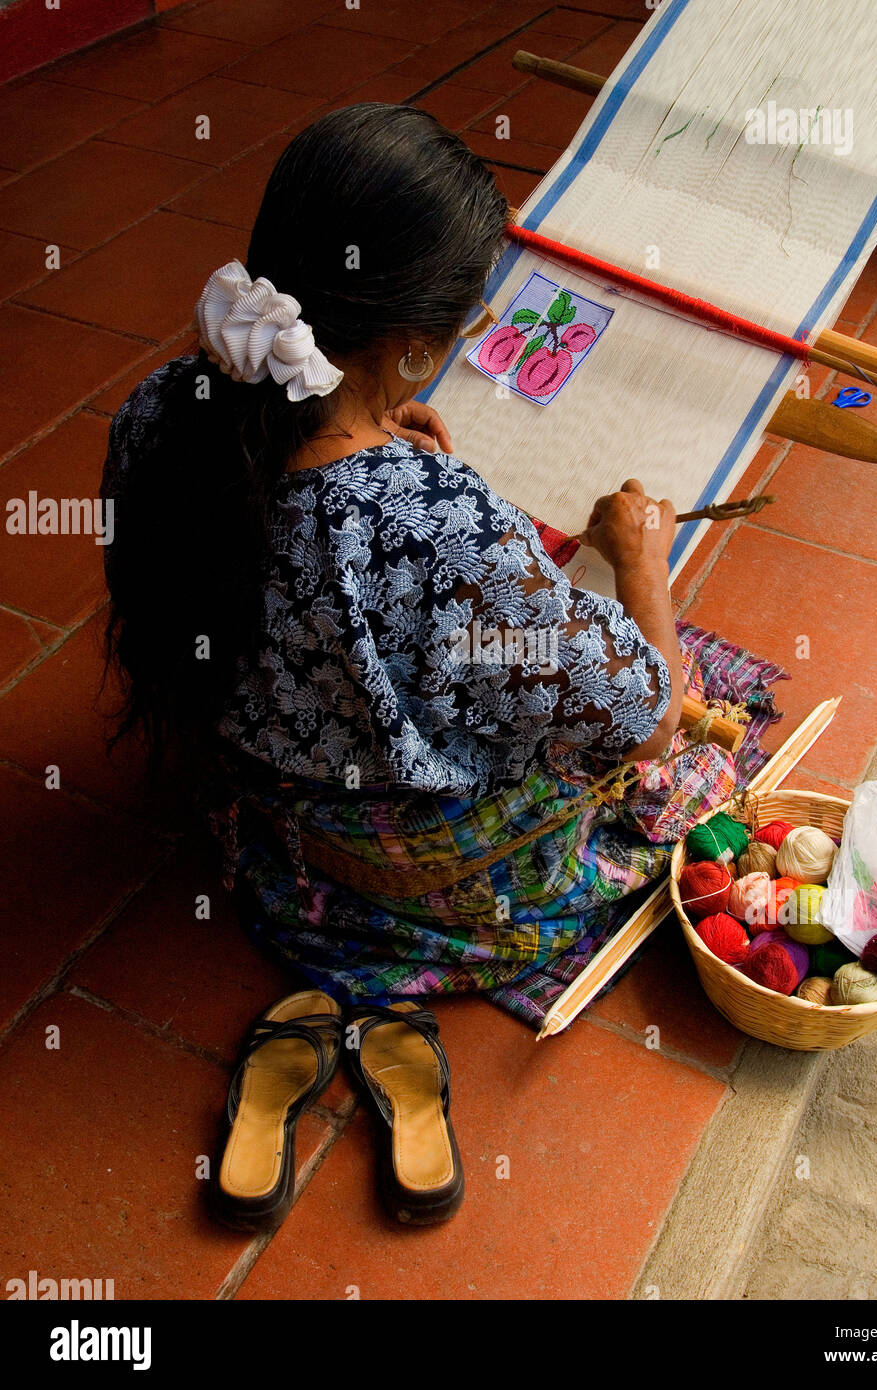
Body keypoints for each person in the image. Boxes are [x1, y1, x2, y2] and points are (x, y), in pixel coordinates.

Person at [101, 104, 736, 1224]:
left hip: (272, 825)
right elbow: (644, 719)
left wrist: (382, 444)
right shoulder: (440, 532)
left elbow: (310, 539)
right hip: (432, 873)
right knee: (681, 728)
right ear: (410, 345)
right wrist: (642, 565)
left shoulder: (164, 413)